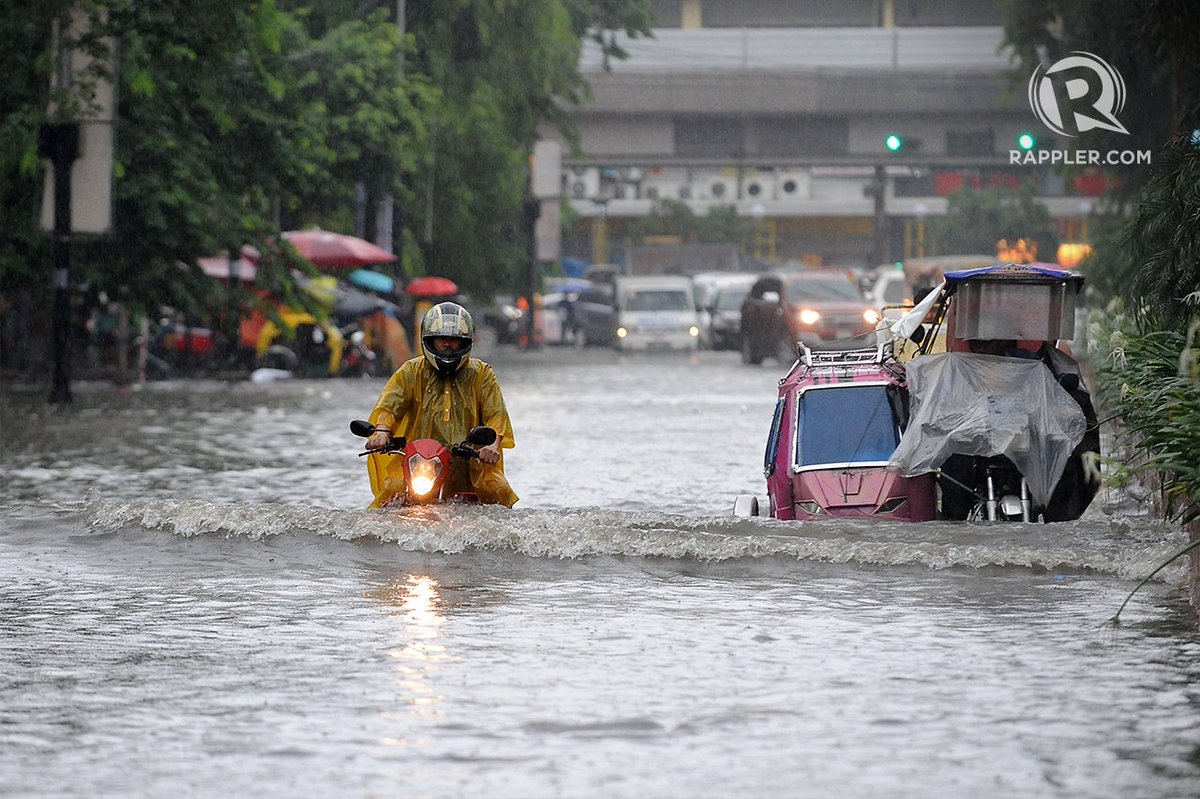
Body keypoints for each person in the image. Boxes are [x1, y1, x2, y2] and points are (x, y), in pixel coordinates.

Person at [363, 302, 518, 508]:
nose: (447, 345)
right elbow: (389, 406)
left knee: (498, 489)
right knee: (391, 492)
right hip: (418, 464)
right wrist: (382, 432)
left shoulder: (482, 374)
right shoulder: (410, 371)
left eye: (454, 340)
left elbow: (496, 415)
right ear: (429, 339)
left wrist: (491, 446)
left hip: (469, 464)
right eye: (442, 339)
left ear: (465, 342)